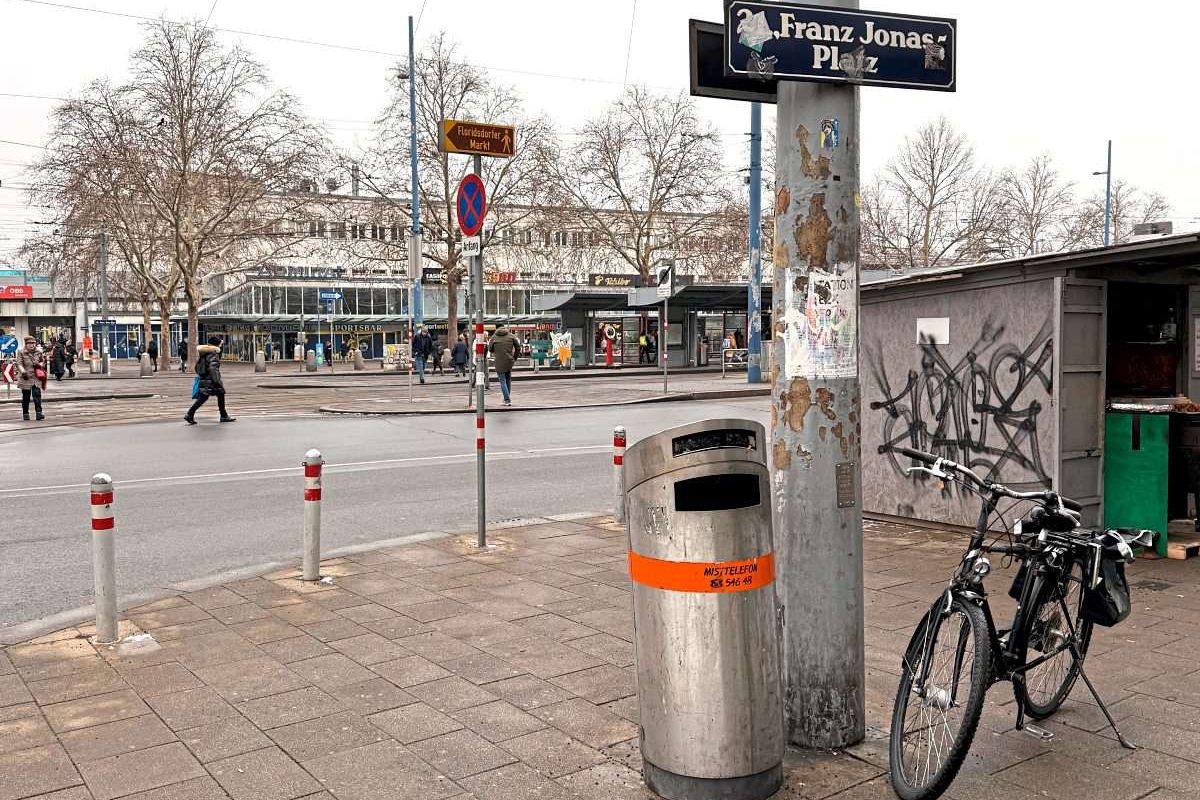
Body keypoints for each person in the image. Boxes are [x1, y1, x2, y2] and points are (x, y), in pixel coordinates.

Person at [185, 336, 236, 424]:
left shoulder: (204, 353)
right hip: (211, 380)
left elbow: (198, 367)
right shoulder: (213, 354)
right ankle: (190, 414)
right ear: (216, 345)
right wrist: (217, 381)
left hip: (205, 378)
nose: (221, 346)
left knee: (215, 395)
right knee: (209, 396)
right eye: (220, 344)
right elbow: (213, 369)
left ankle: (223, 415)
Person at [488, 323, 518, 406]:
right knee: (508, 379)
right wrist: (514, 357)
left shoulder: (494, 337)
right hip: (509, 361)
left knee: (502, 380)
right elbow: (518, 347)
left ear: (496, 328)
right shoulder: (511, 336)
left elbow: (490, 349)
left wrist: (497, 350)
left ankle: (507, 399)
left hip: (499, 361)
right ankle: (507, 398)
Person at [16, 336, 46, 421]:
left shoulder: (39, 351)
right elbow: (19, 363)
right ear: (26, 344)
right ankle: (25, 413)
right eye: (30, 343)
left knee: (37, 395)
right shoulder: (21, 352)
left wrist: (39, 364)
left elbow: (42, 362)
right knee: (26, 397)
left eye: (33, 343)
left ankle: (39, 413)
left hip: (36, 377)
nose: (32, 345)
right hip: (26, 377)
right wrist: (23, 371)